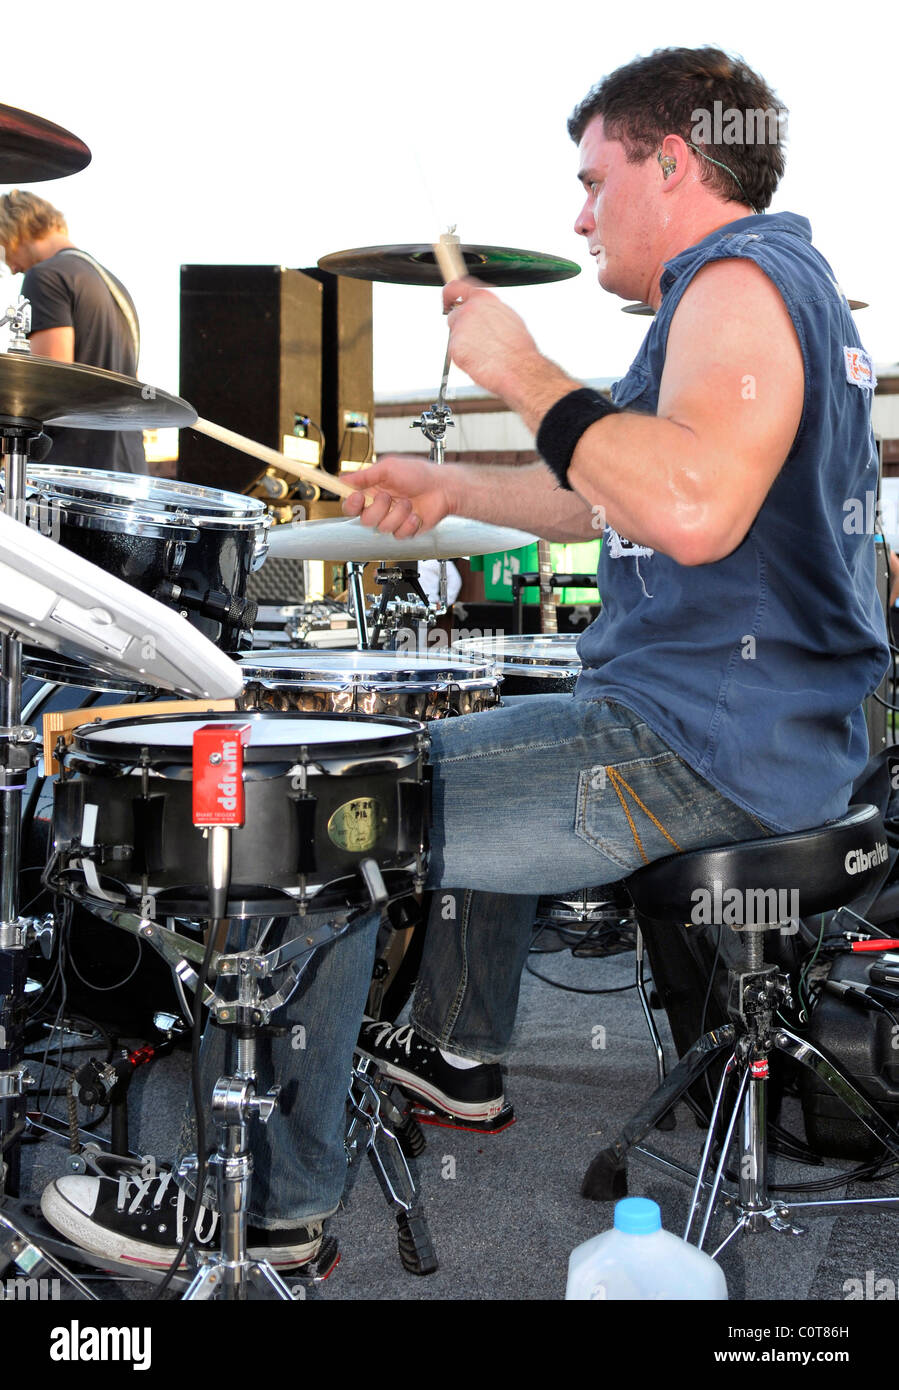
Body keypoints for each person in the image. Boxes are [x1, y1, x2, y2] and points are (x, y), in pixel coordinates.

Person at [39, 45, 889, 1275]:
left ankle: (263, 1202)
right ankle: (456, 1050)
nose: (579, 214)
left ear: (673, 161)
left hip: (700, 742)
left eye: (595, 180)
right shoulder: (771, 288)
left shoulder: (735, 282)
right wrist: (446, 484)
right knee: (457, 748)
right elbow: (610, 491)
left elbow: (690, 508)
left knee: (328, 811)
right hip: (751, 730)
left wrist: (517, 368)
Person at [0, 189, 147, 473]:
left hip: (71, 473)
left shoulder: (46, 276)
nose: (12, 267)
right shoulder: (113, 285)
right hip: (128, 467)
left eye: (3, 250)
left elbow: (47, 387)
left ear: (13, 229)